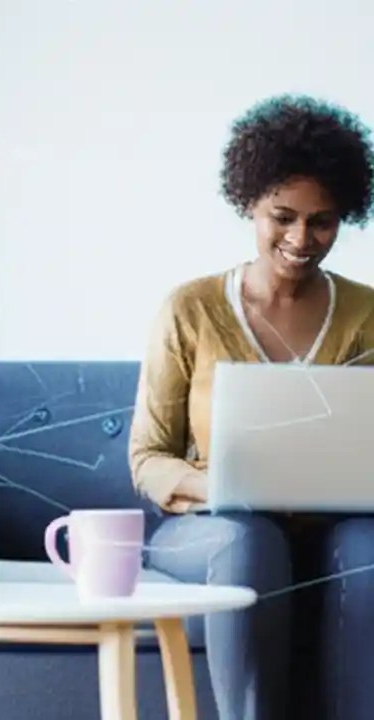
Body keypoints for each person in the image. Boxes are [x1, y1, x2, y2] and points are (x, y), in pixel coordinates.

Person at [129, 94, 374, 720]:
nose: (300, 239)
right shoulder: (190, 309)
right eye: (282, 217)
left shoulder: (368, 314)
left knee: (368, 552)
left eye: (322, 222)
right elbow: (148, 458)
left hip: (340, 530)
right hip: (215, 528)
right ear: (248, 205)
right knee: (250, 544)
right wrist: (220, 484)